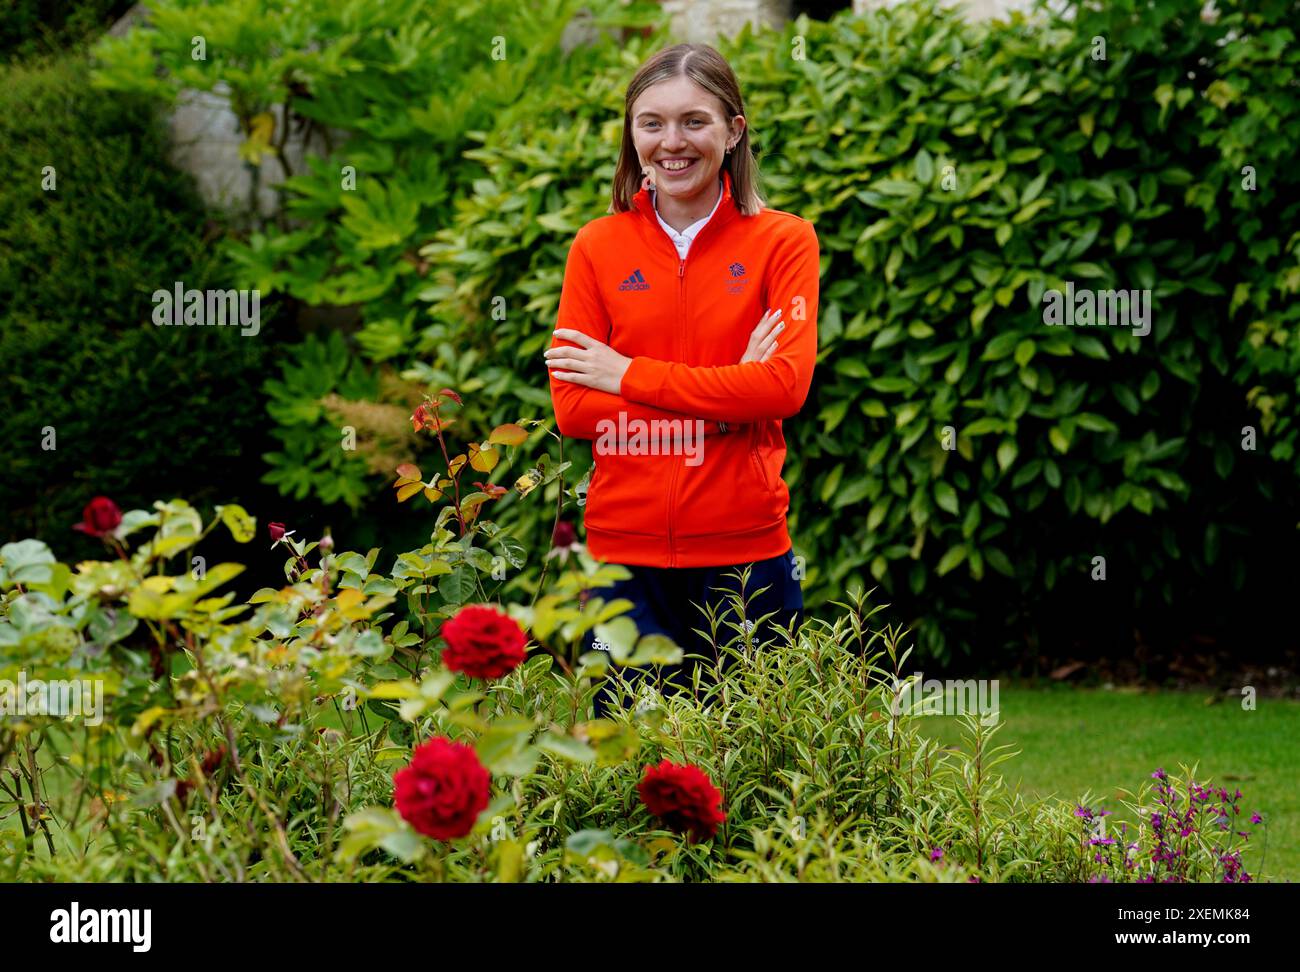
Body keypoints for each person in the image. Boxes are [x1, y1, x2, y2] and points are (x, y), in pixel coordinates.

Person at [544, 42, 820, 718]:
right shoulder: (596, 247)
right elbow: (576, 410)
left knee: (754, 770)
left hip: (746, 552)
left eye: (695, 121)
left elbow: (783, 390)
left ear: (733, 131)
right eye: (652, 123)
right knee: (629, 769)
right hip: (620, 560)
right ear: (632, 135)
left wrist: (627, 374)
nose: (673, 142)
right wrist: (729, 403)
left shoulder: (783, 243)